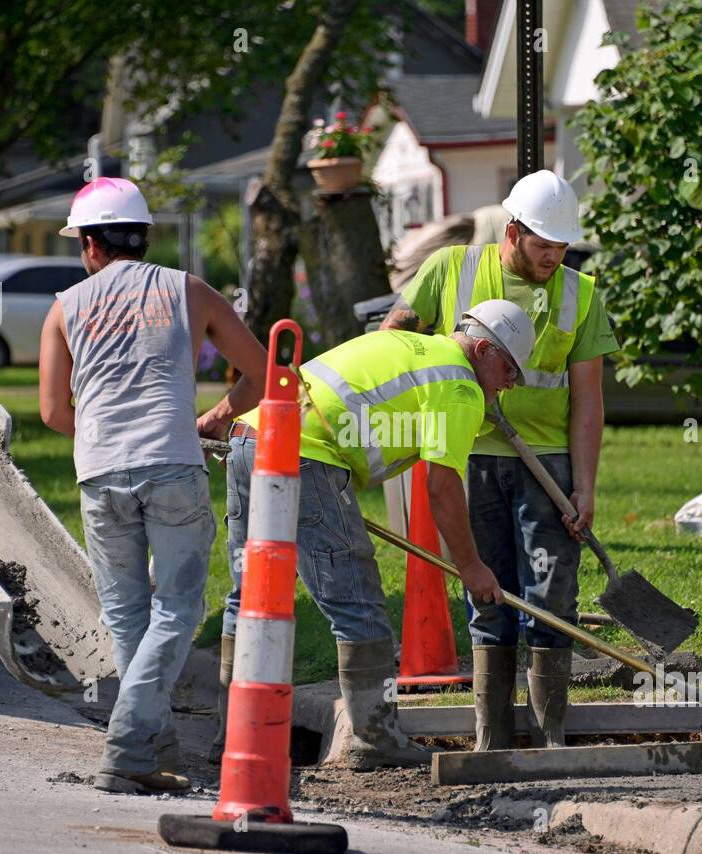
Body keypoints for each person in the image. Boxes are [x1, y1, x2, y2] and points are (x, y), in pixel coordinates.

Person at [212, 300, 536, 769]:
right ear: (483, 349)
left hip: (254, 435)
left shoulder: (412, 345)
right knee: (358, 603)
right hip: (307, 457)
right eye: (509, 370)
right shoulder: (459, 387)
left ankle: (231, 736)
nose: (509, 383)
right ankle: (375, 736)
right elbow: (443, 488)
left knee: (250, 597)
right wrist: (470, 566)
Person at [39, 177, 266, 794]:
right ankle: (129, 745)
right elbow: (262, 373)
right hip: (173, 465)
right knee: (179, 609)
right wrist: (216, 417)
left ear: (90, 244)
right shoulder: (190, 291)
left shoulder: (65, 308)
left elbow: (55, 412)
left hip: (99, 473)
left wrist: (107, 436)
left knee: (127, 615)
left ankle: (144, 745)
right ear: (143, 238)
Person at [381, 170, 619, 750]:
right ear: (512, 232)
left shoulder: (580, 294)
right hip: (467, 457)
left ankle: (550, 739)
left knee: (551, 597)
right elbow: (394, 342)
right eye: (543, 246)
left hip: (549, 466)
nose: (554, 258)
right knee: (487, 594)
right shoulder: (450, 269)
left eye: (562, 247)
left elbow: (588, 402)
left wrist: (584, 486)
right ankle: (491, 740)